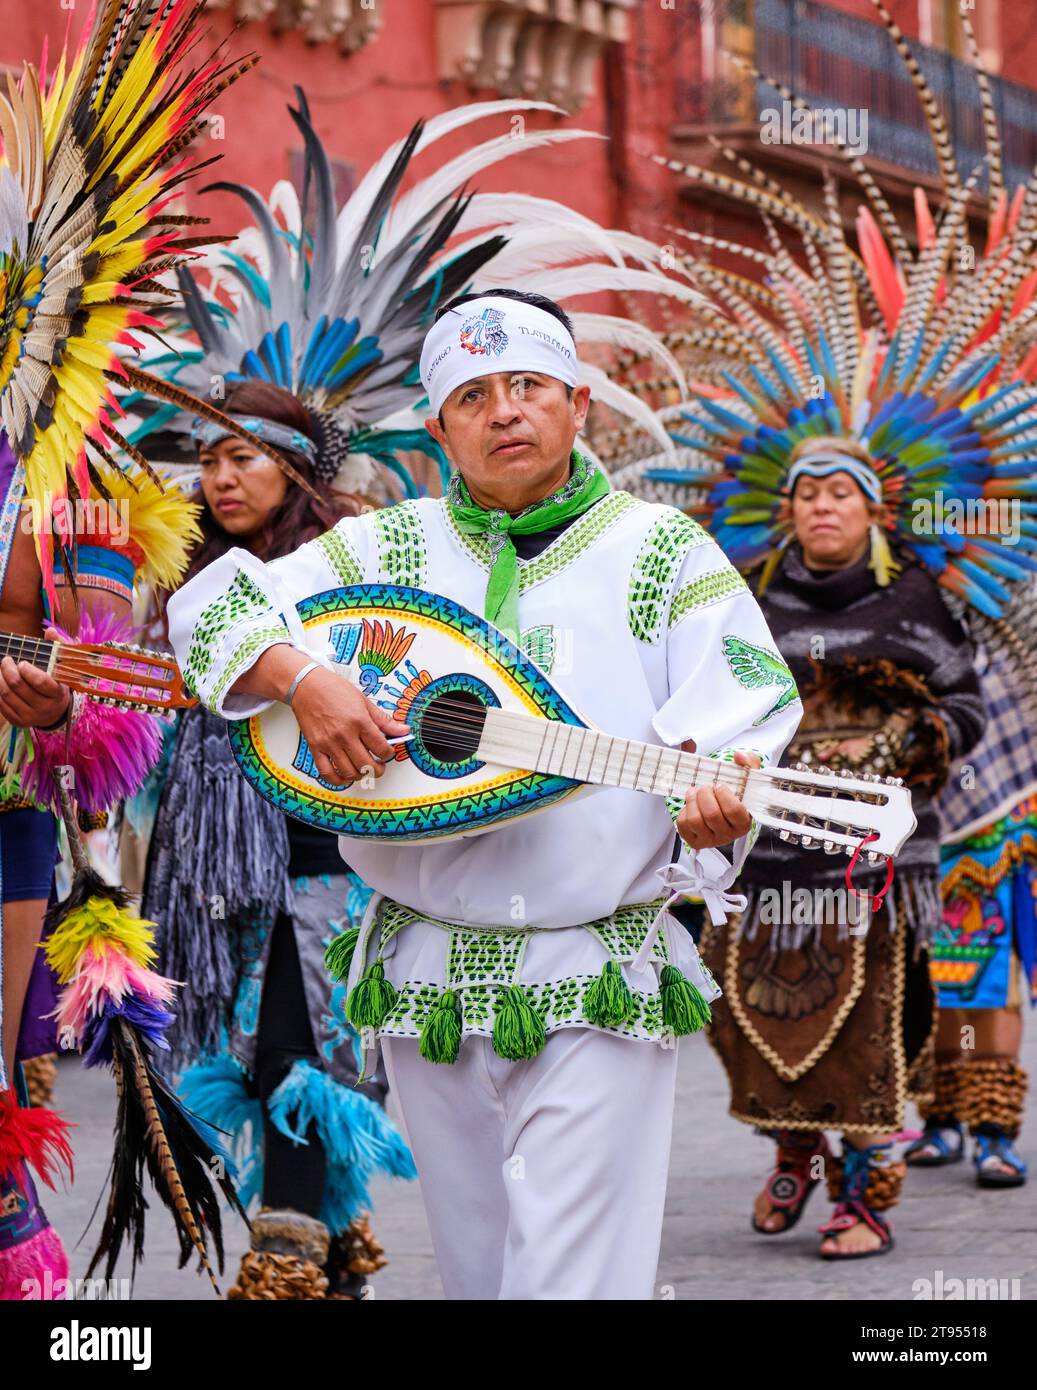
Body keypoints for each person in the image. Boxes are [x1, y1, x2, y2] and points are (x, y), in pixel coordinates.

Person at [164, 287, 801, 1300]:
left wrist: (709, 793)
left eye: (528, 386)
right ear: (437, 427)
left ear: (575, 402)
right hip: (427, 969)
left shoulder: (658, 551)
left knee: (569, 1277)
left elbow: (748, 697)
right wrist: (303, 676)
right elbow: (209, 605)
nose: (504, 410)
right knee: (474, 1270)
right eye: (473, 394)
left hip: (589, 962)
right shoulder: (391, 547)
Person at [140, 380, 415, 1300]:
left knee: (300, 1060)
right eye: (207, 460)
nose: (218, 478)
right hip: (225, 876)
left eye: (240, 457)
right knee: (268, 1059)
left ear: (292, 468)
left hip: (332, 862)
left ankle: (285, 1269)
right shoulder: (188, 586)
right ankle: (337, 1260)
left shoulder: (347, 571)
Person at [698, 436, 984, 1258]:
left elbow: (964, 704)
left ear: (873, 510)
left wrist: (904, 735)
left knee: (866, 1027)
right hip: (765, 855)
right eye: (807, 493)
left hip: (874, 862)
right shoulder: (742, 597)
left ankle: (860, 1194)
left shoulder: (915, 600)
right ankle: (795, 1153)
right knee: (752, 1020)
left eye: (840, 493)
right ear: (786, 509)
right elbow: (708, 698)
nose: (822, 506)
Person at [908, 652, 1035, 1186]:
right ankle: (940, 1119)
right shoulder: (887, 603)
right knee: (925, 980)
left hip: (997, 825)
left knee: (990, 981)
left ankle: (992, 1129)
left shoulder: (993, 606)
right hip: (910, 828)